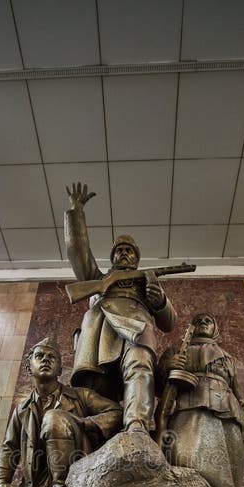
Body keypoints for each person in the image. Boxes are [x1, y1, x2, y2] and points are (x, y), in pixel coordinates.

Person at [64, 182, 177, 433]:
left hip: (137, 330)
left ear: (137, 259)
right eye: (119, 251)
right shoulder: (98, 278)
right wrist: (76, 211)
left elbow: (170, 323)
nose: (124, 255)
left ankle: (136, 426)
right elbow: (77, 251)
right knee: (97, 389)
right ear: (113, 257)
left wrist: (158, 301)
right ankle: (92, 436)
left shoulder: (148, 281)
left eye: (129, 252)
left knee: (141, 368)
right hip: (101, 333)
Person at [0, 337, 122, 487]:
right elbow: (9, 448)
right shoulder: (22, 409)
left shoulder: (81, 396)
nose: (46, 360)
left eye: (52, 357)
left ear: (61, 370)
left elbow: (116, 413)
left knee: (54, 418)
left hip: (74, 481)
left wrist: (86, 423)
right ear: (29, 368)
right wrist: (2, 482)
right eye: (40, 356)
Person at [156, 312, 244, 487]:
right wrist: (167, 367)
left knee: (229, 476)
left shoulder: (227, 357)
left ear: (215, 329)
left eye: (208, 320)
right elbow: (157, 385)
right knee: (188, 463)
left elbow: (239, 393)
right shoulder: (176, 350)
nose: (203, 323)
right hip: (187, 412)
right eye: (198, 320)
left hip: (228, 416)